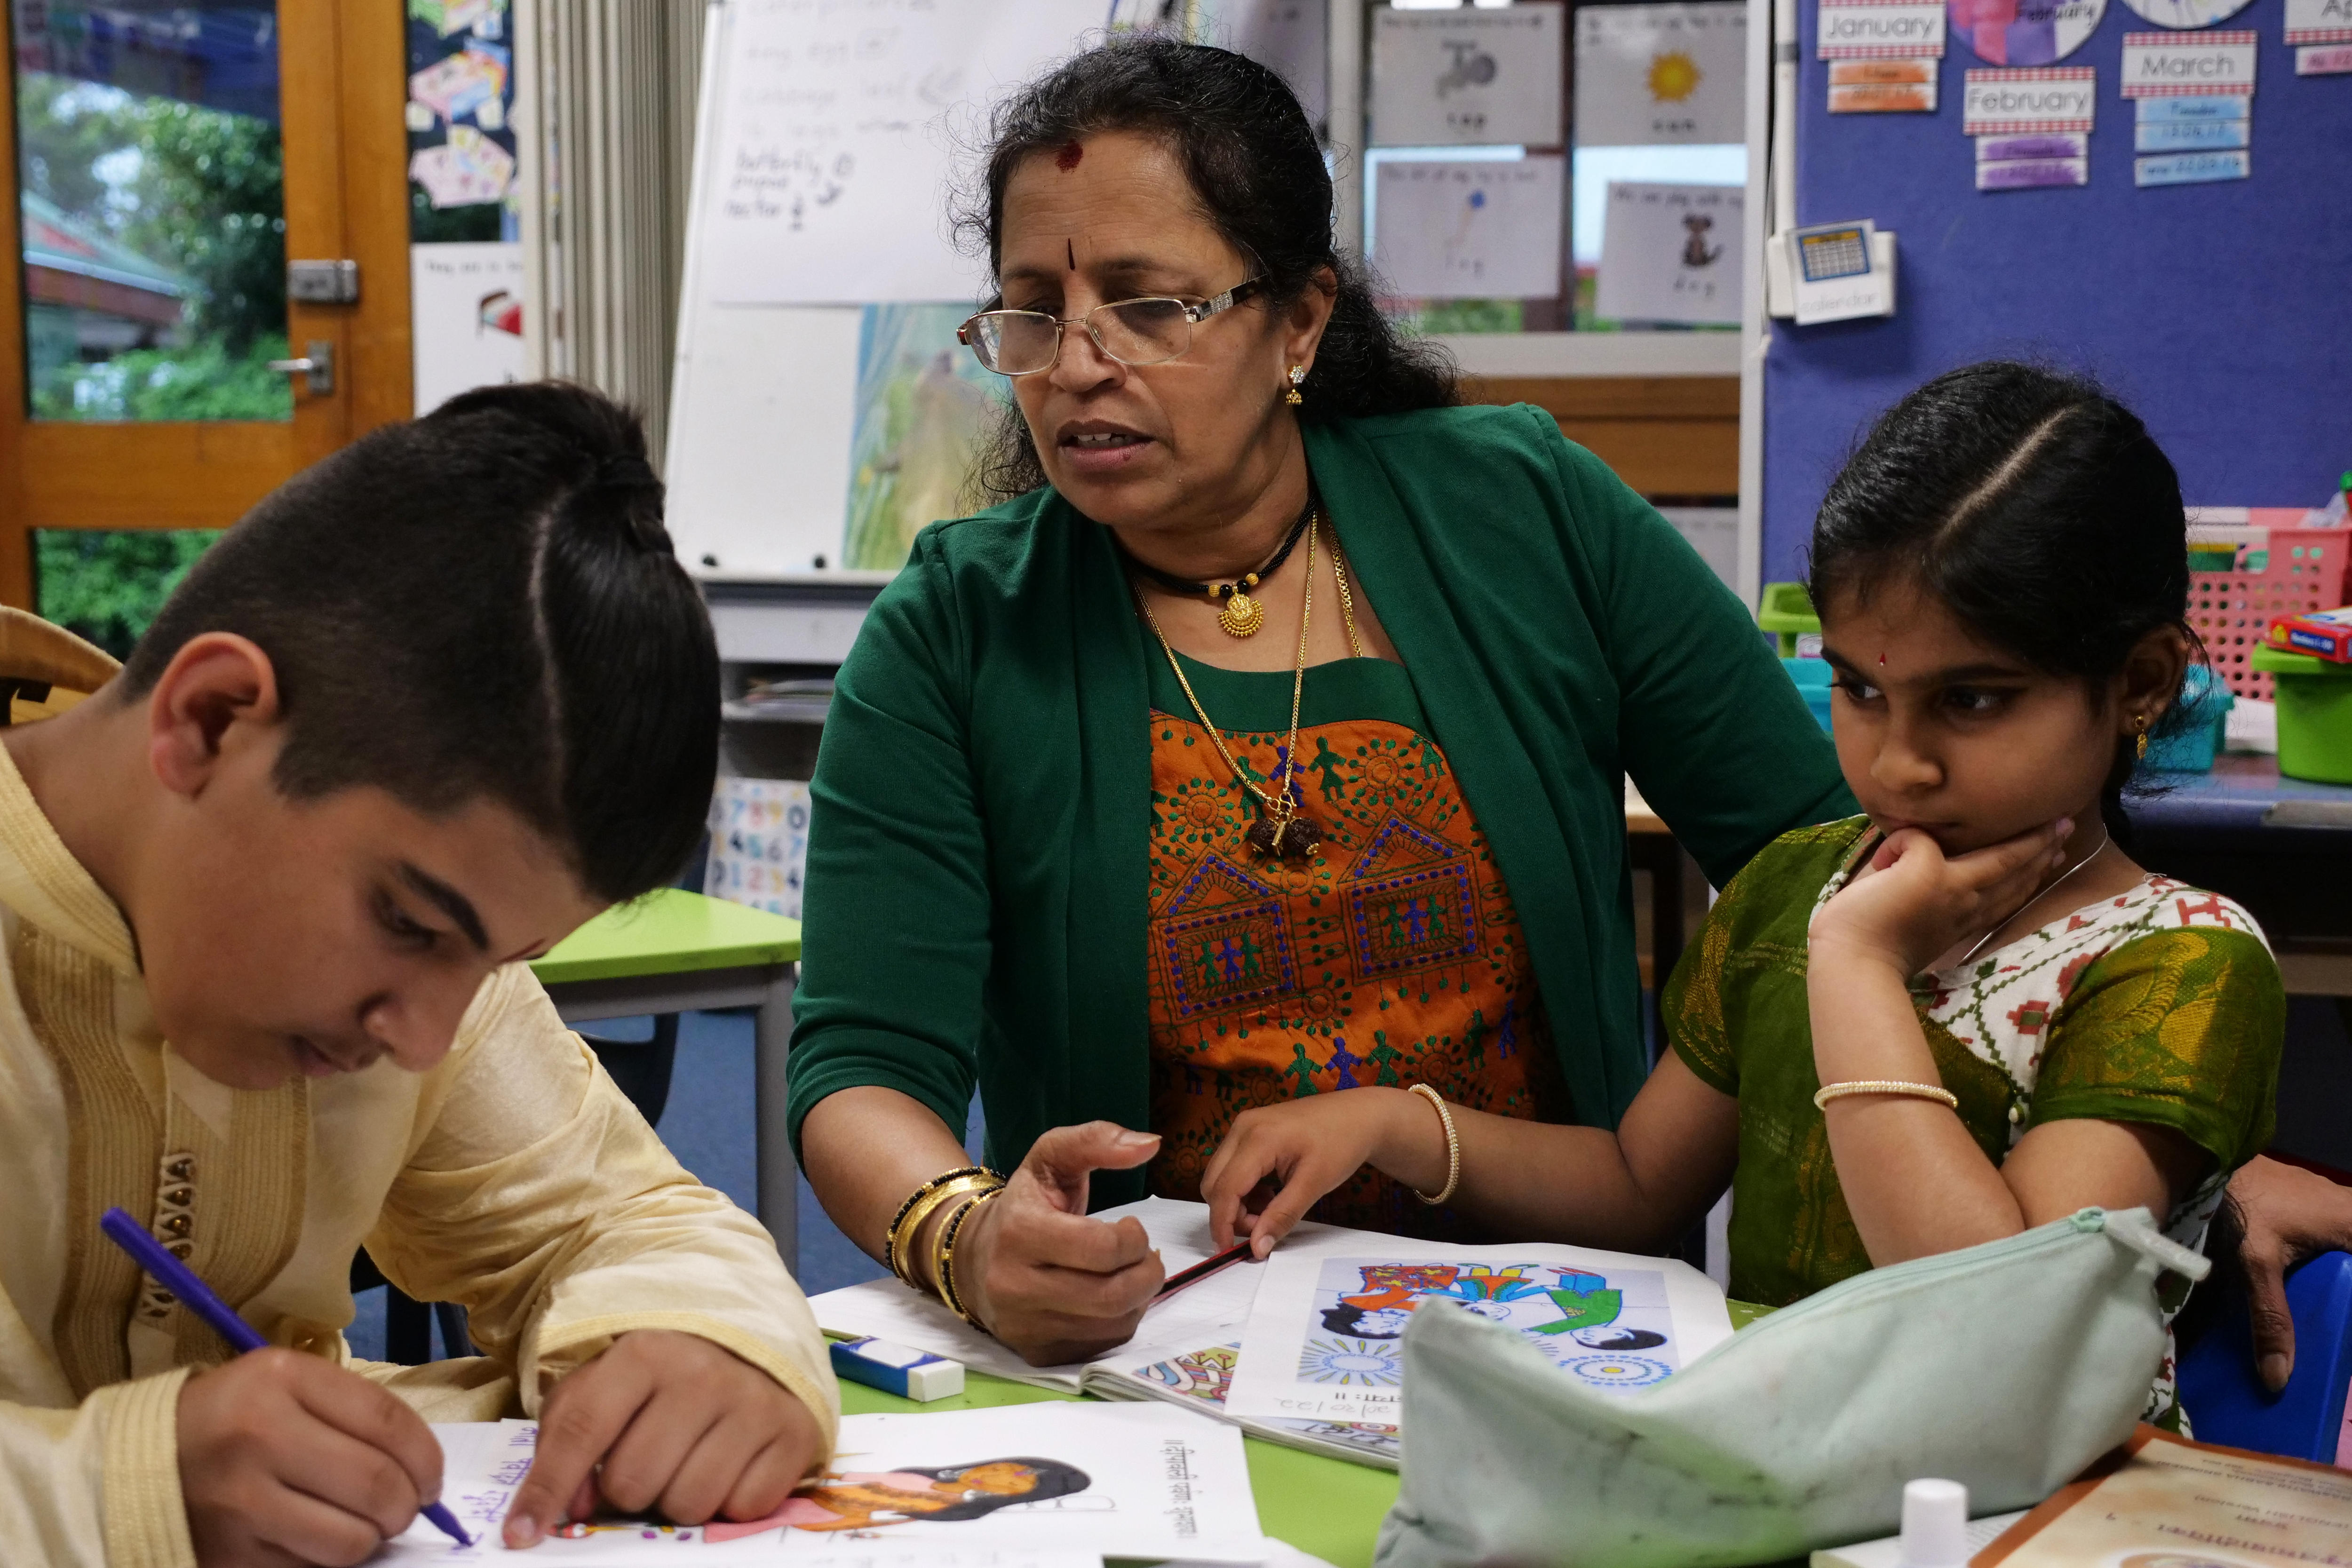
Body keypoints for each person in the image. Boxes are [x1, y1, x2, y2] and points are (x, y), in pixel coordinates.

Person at [787, 36, 1848, 1367]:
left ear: (1297, 321)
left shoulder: (1518, 513)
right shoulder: (956, 631)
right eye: (1033, 312)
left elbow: (1818, 859)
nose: (1076, 364)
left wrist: (1650, 1162)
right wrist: (964, 1230)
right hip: (1164, 1358)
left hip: (1555, 1333)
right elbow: (861, 1062)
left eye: (1147, 304)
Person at [1201, 362, 2285, 1429]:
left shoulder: (2175, 961)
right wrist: (1391, 1123)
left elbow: (1999, 1327)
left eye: (1972, 700)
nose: (1898, 763)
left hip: (2025, 1517)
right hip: (1782, 1470)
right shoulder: (1795, 888)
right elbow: (1636, 1182)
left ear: (2140, 682)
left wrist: (1856, 968)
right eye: (1859, 688)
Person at [0, 383, 835, 1568]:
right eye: (407, 921)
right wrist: (119, 1490)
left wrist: (707, 1342)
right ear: (211, 717)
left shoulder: (423, 965)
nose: (428, 1037)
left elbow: (623, 1214)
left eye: (498, 959)